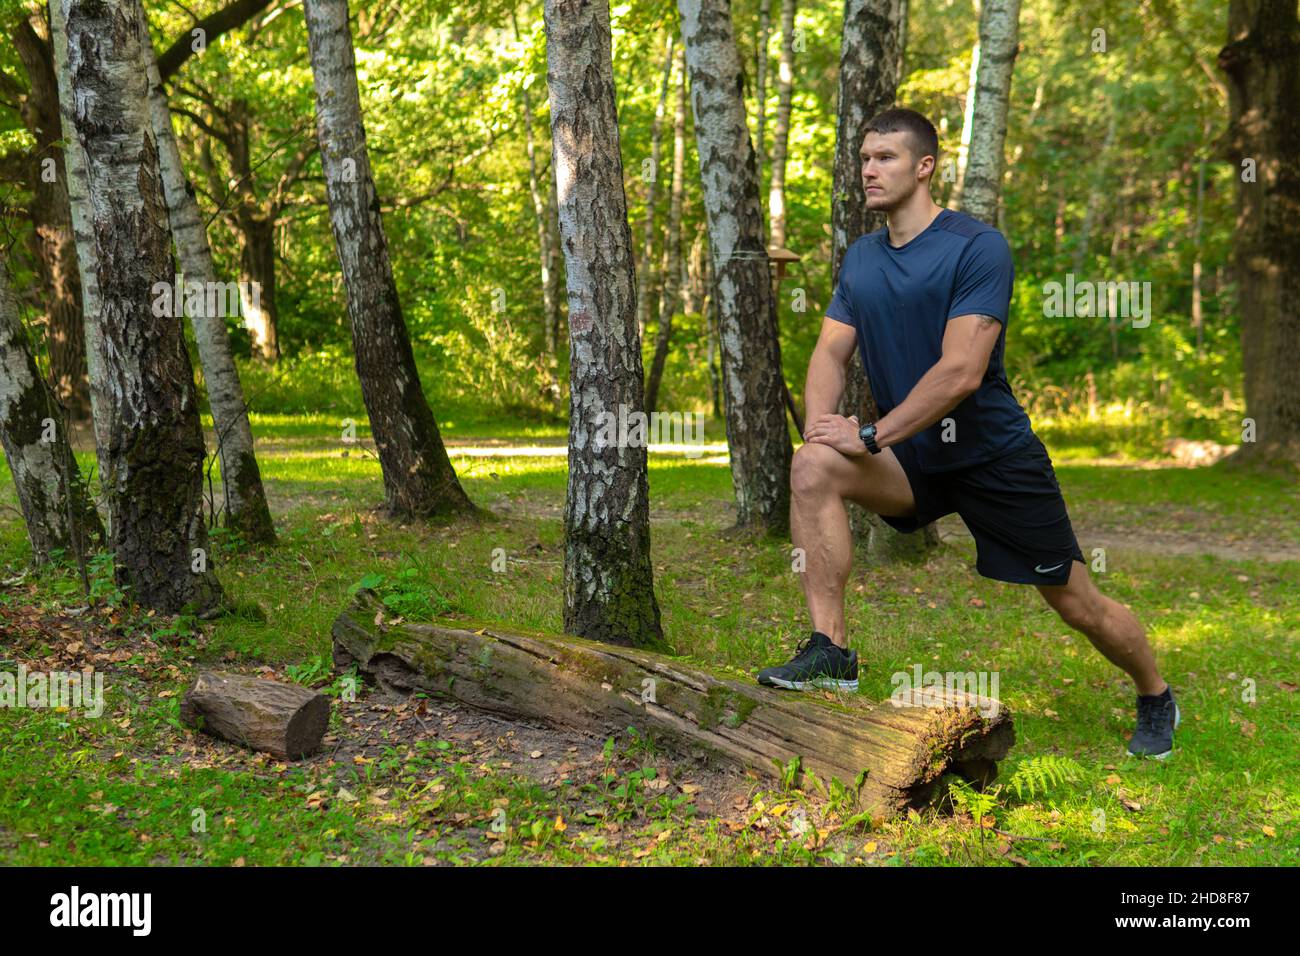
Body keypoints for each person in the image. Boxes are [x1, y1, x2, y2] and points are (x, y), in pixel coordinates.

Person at [756, 108, 1179, 759]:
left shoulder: (977, 248)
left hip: (991, 457)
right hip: (912, 457)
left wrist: (869, 434)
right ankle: (832, 653)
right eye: (865, 157)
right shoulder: (863, 258)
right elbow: (830, 353)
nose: (869, 168)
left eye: (886, 157)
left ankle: (1154, 693)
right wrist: (822, 429)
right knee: (812, 466)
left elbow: (961, 371)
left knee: (1074, 601)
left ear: (925, 166)